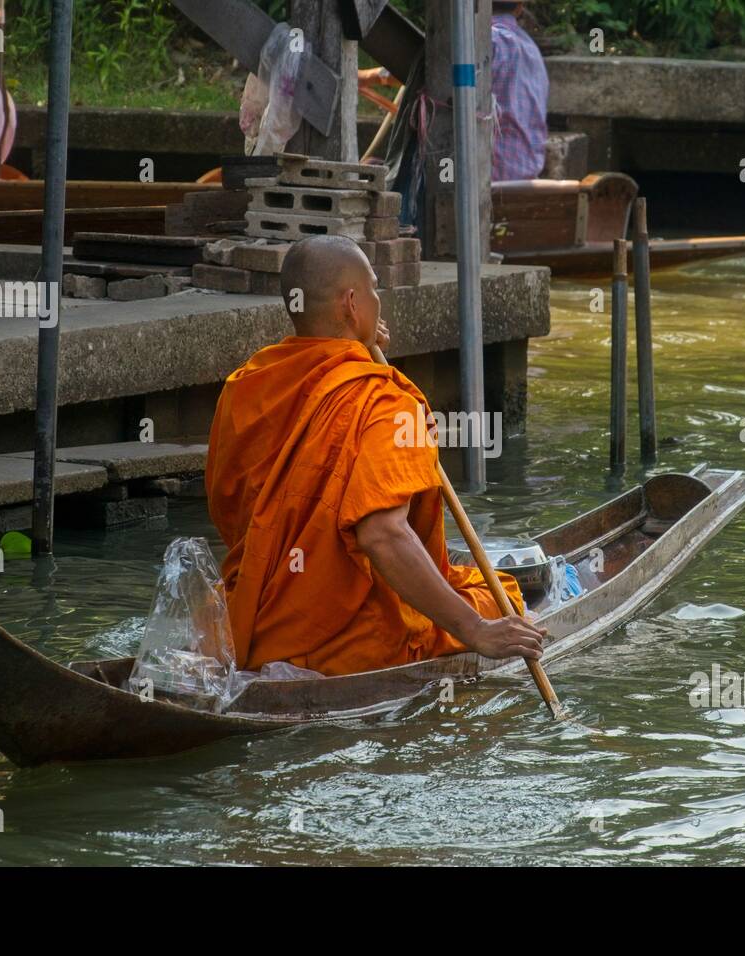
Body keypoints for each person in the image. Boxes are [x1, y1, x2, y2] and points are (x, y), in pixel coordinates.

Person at [205, 235, 547, 677]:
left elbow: (230, 504)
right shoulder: (384, 401)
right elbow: (381, 535)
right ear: (351, 303)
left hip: (249, 618)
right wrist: (477, 631)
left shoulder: (247, 384)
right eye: (373, 289)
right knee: (502, 592)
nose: (378, 301)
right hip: (344, 641)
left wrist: (360, 344)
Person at [357, 1, 549, 183]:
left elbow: (432, 71)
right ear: (519, 9)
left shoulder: (484, 41)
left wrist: (366, 78)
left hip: (481, 180)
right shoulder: (531, 51)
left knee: (375, 169)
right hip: (523, 177)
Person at [489, 1, 549, 181]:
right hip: (527, 174)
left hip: (491, 179)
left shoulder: (488, 41)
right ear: (519, 8)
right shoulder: (531, 49)